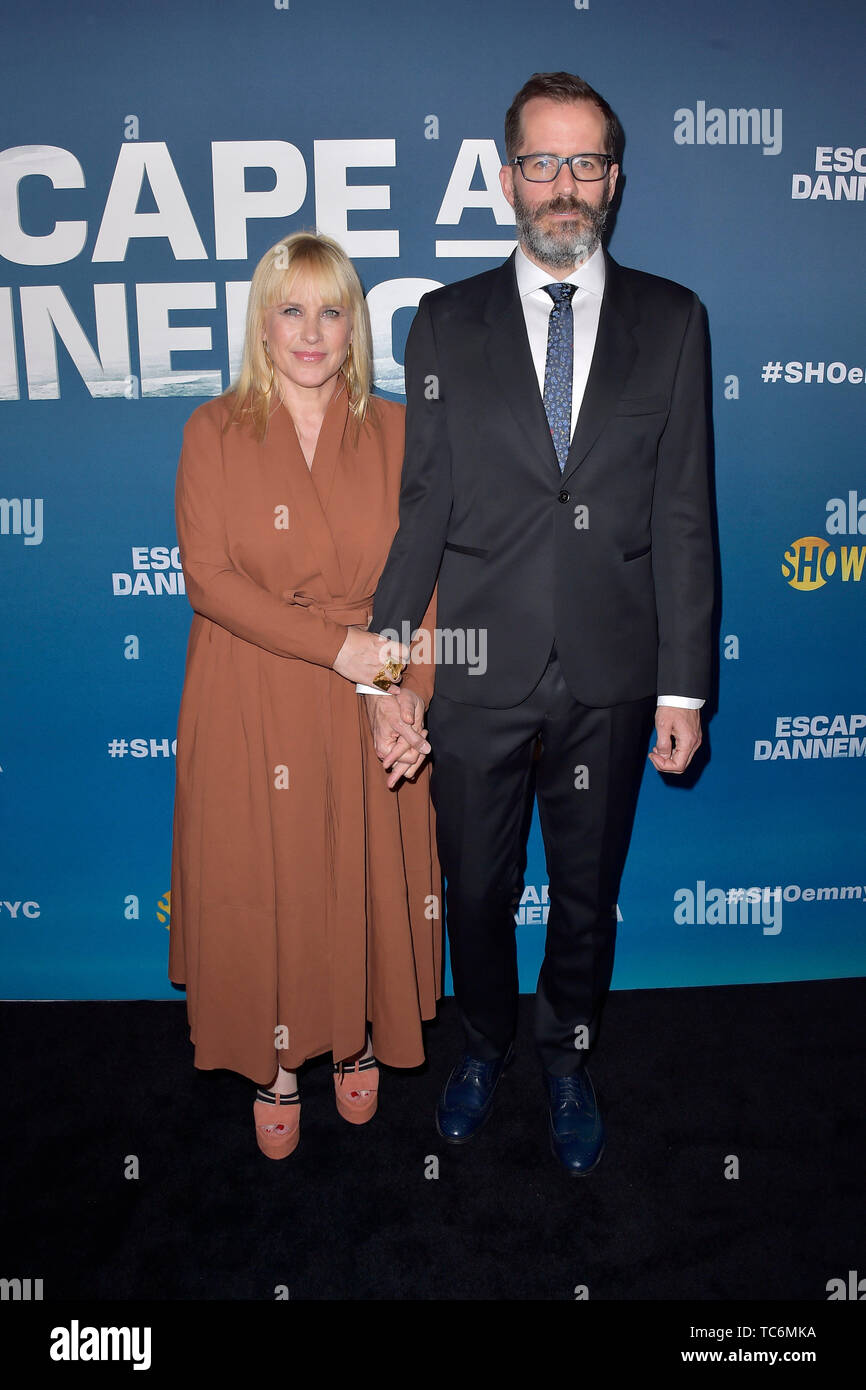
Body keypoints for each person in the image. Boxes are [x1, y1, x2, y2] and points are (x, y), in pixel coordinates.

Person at [363, 72, 715, 1175]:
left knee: (582, 892)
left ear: (612, 178)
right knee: (471, 887)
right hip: (475, 666)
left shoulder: (671, 318)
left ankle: (565, 1058)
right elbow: (421, 510)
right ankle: (481, 1043)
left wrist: (681, 685)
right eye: (540, 162)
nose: (563, 186)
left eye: (585, 163)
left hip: (612, 672)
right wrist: (382, 672)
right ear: (504, 175)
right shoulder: (444, 321)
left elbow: (683, 511)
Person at [169, 230, 441, 1160]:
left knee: (355, 868)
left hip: (370, 685)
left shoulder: (402, 430)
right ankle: (276, 1059)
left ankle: (354, 1035)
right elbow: (209, 579)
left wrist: (405, 698)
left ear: (355, 323)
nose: (312, 331)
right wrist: (346, 655)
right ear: (261, 323)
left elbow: (428, 580)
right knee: (269, 876)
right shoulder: (212, 429)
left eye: (332, 309)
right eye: (292, 309)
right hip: (252, 689)